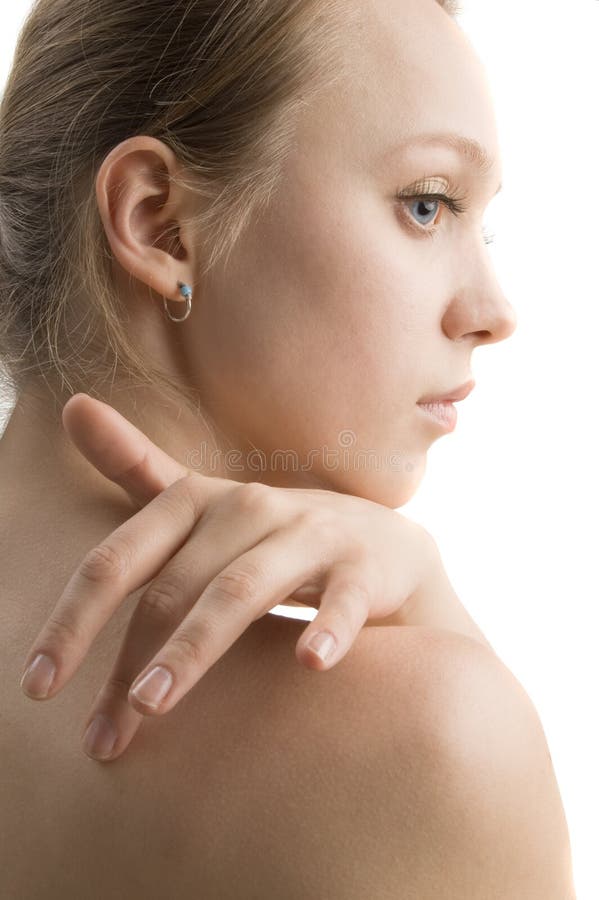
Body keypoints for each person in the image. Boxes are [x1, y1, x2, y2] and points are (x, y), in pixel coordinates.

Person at [0, 0, 576, 897]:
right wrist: (439, 632)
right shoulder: (427, 742)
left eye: (481, 224)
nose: (493, 313)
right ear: (159, 223)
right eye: (426, 205)